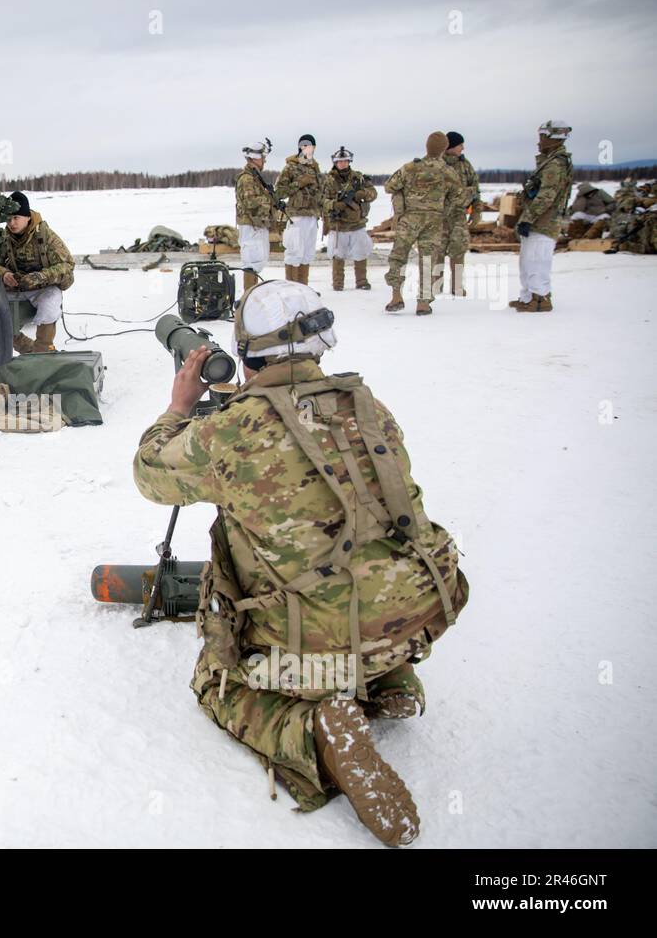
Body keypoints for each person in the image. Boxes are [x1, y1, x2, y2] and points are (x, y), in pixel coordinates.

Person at [132, 279, 469, 846]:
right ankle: (391, 680)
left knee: (217, 680)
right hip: (418, 616)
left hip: (319, 640)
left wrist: (180, 407)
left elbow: (149, 473)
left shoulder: (229, 431)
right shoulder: (368, 405)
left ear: (247, 350)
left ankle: (314, 728)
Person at [0, 191, 74, 353]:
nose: (12, 223)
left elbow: (67, 265)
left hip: (42, 288)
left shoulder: (46, 236)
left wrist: (41, 277)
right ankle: (29, 350)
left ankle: (43, 349)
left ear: (27, 217)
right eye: (9, 219)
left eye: (16, 218)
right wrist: (4, 274)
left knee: (51, 302)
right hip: (16, 288)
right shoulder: (5, 238)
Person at [383, 132, 461, 316]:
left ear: (427, 147)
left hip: (409, 219)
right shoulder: (448, 172)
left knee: (398, 257)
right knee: (428, 260)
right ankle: (424, 302)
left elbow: (390, 186)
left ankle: (396, 296)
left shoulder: (411, 167)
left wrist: (401, 205)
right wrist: (442, 210)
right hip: (434, 220)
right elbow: (456, 196)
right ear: (443, 149)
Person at [511, 121, 573, 313]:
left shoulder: (555, 164)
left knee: (538, 259)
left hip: (545, 220)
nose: (539, 142)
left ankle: (541, 299)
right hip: (538, 218)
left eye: (543, 137)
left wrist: (528, 218)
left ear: (553, 139)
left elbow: (547, 195)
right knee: (527, 259)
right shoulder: (549, 161)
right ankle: (528, 296)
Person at [319, 146, 377, 291]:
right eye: (339, 162)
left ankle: (362, 281)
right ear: (335, 163)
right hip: (338, 225)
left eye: (345, 161)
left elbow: (373, 193)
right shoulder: (328, 180)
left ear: (349, 161)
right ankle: (338, 283)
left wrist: (362, 194)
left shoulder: (358, 177)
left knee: (361, 252)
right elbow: (320, 200)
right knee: (338, 255)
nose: (342, 164)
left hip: (357, 224)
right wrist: (334, 204)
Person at [434, 131, 480, 298]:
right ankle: (435, 287)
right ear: (451, 146)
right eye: (460, 145)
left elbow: (475, 189)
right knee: (437, 251)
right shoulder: (437, 164)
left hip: (459, 216)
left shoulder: (465, 164)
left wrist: (477, 211)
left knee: (458, 250)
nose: (463, 148)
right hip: (439, 217)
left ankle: (457, 287)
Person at [274, 134, 322, 285]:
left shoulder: (315, 167)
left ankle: (303, 289)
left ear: (314, 147)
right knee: (294, 253)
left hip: (312, 217)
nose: (306, 147)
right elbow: (279, 192)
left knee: (307, 254)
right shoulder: (291, 167)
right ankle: (291, 287)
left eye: (310, 145)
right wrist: (299, 183)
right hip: (296, 217)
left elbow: (321, 191)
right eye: (303, 144)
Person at [234, 139, 277, 292]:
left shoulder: (255, 177)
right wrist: (270, 201)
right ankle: (248, 297)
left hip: (257, 224)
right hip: (251, 226)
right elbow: (250, 201)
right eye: (262, 157)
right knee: (251, 263)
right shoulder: (247, 178)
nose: (264, 160)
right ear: (254, 158)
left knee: (257, 261)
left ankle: (252, 296)